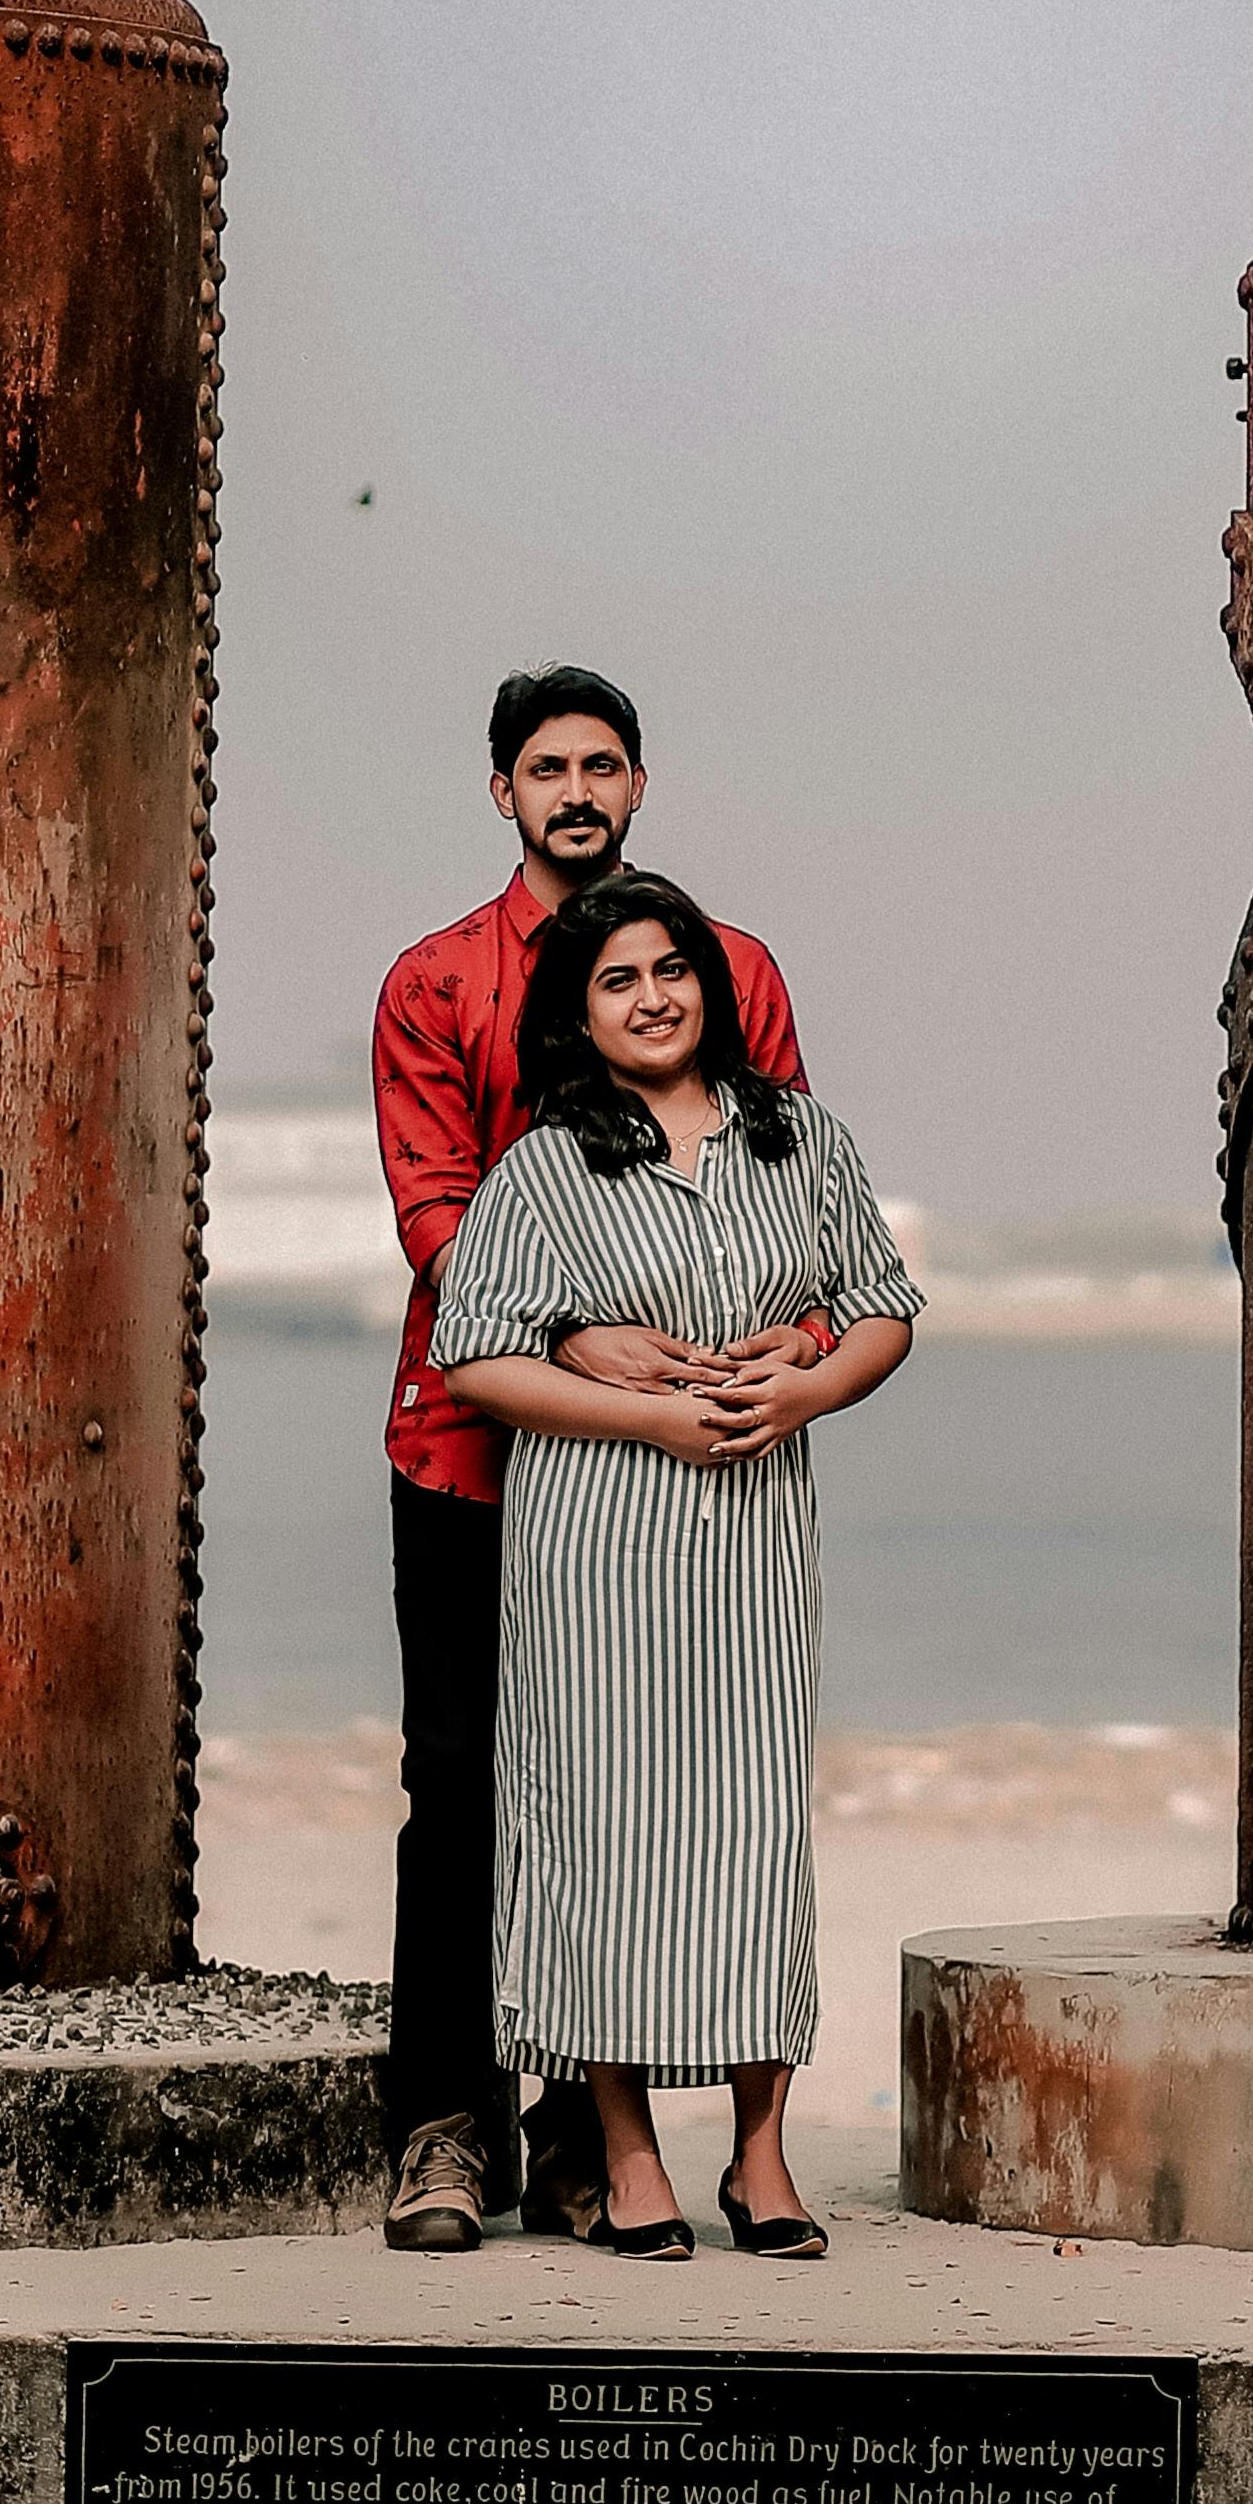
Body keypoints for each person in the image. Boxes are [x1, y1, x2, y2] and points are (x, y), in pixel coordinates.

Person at [368, 666, 816, 2255]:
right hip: (471, 1456)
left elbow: (782, 1186)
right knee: (465, 1787)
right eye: (547, 766)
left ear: (638, 783)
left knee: (619, 1799)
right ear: (503, 792)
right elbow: (436, 1222)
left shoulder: (723, 969)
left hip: (670, 1473)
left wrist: (792, 1362)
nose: (576, 789)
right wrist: (573, 1345)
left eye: (602, 764)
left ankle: (582, 2141)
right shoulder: (435, 983)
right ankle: (442, 2129)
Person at [434, 871, 920, 2255]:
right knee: (604, 1831)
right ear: (578, 1017)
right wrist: (647, 1413)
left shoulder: (805, 1143)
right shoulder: (543, 1167)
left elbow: (882, 1308)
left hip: (760, 1539)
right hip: (595, 1539)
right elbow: (477, 1355)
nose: (652, 999)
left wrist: (809, 1389)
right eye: (616, 981)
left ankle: (762, 2156)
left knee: (755, 1832)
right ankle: (628, 2152)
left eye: (671, 971)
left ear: (709, 984)